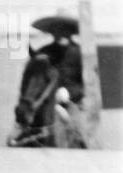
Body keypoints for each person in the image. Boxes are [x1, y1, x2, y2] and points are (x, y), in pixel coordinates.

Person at [11, 14, 85, 147]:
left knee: (78, 131)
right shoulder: (45, 51)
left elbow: (87, 84)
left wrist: (69, 92)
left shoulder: (80, 53)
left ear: (70, 32)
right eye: (57, 30)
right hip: (44, 100)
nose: (60, 33)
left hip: (71, 101)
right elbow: (30, 80)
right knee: (20, 128)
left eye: (64, 30)